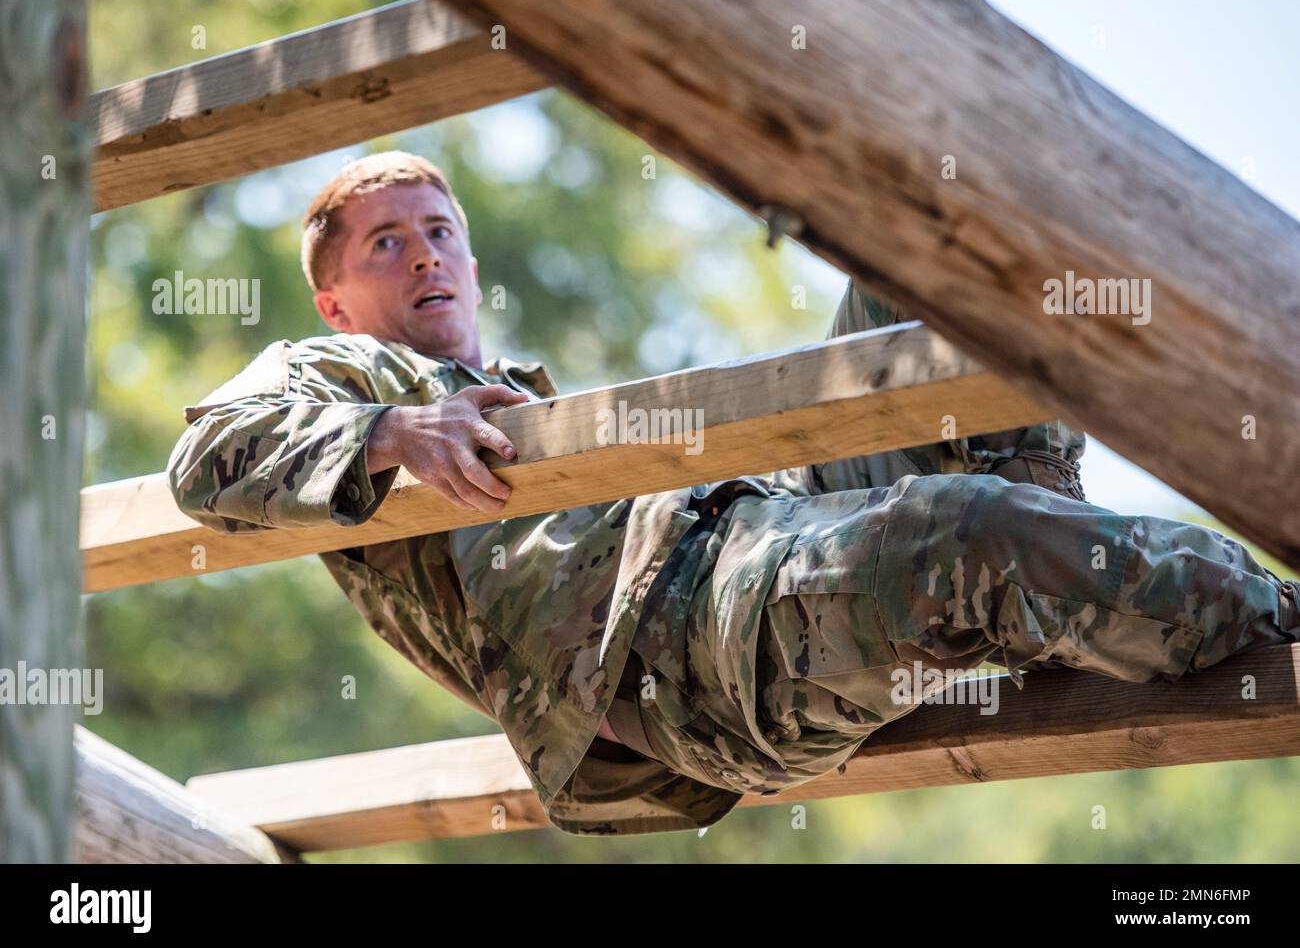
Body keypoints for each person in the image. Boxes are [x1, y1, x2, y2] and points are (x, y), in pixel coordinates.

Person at [167, 151, 1300, 836]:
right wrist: (394, 433)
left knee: (910, 277)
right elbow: (203, 462)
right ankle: (1256, 607)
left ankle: (1047, 579)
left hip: (752, 526)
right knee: (968, 532)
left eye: (439, 233)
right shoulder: (348, 380)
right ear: (335, 299)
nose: (423, 255)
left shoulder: (511, 387)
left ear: (468, 262)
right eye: (384, 244)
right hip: (676, 655)